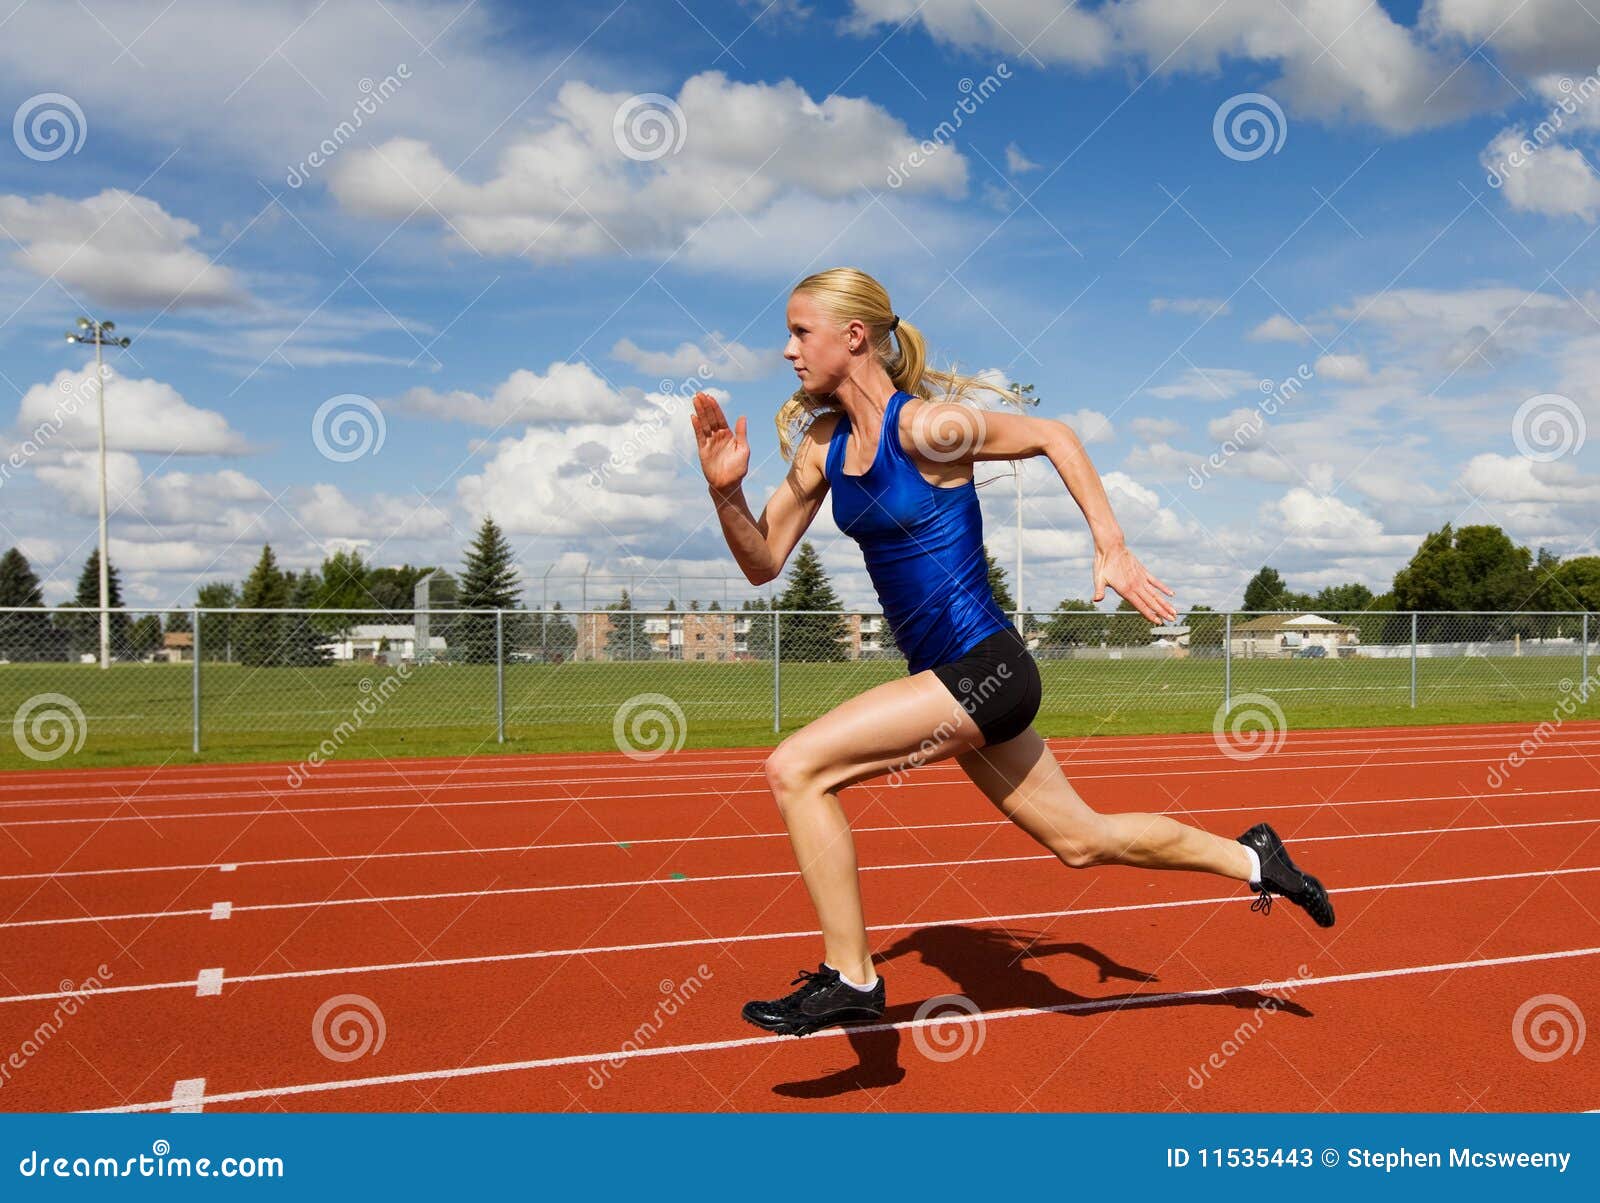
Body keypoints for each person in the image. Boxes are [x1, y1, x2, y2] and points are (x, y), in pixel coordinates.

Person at [691, 267, 1333, 1039]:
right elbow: (763, 562)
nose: (788, 349)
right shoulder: (825, 448)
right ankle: (1258, 860)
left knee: (796, 768)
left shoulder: (925, 427)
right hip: (953, 681)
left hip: (984, 669)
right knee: (1081, 840)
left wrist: (1113, 545)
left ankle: (851, 976)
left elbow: (1054, 434)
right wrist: (726, 493)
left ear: (852, 336)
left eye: (800, 331)